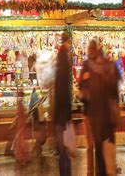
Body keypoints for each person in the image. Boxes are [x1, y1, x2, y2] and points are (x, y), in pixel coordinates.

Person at [80, 42, 120, 176]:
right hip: (107, 117)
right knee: (106, 149)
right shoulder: (111, 65)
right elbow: (115, 92)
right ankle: (106, 171)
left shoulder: (88, 66)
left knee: (98, 149)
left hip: (96, 115)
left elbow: (82, 93)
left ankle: (99, 172)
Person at [79, 40, 98, 176]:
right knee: (92, 145)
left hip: (93, 111)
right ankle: (91, 172)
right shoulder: (88, 64)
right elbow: (80, 84)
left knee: (92, 145)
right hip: (91, 110)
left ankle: (92, 171)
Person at [54, 32, 72, 176]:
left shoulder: (60, 58)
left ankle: (64, 172)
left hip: (59, 112)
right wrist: (68, 113)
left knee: (63, 148)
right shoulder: (63, 58)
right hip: (62, 113)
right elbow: (64, 89)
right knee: (64, 147)